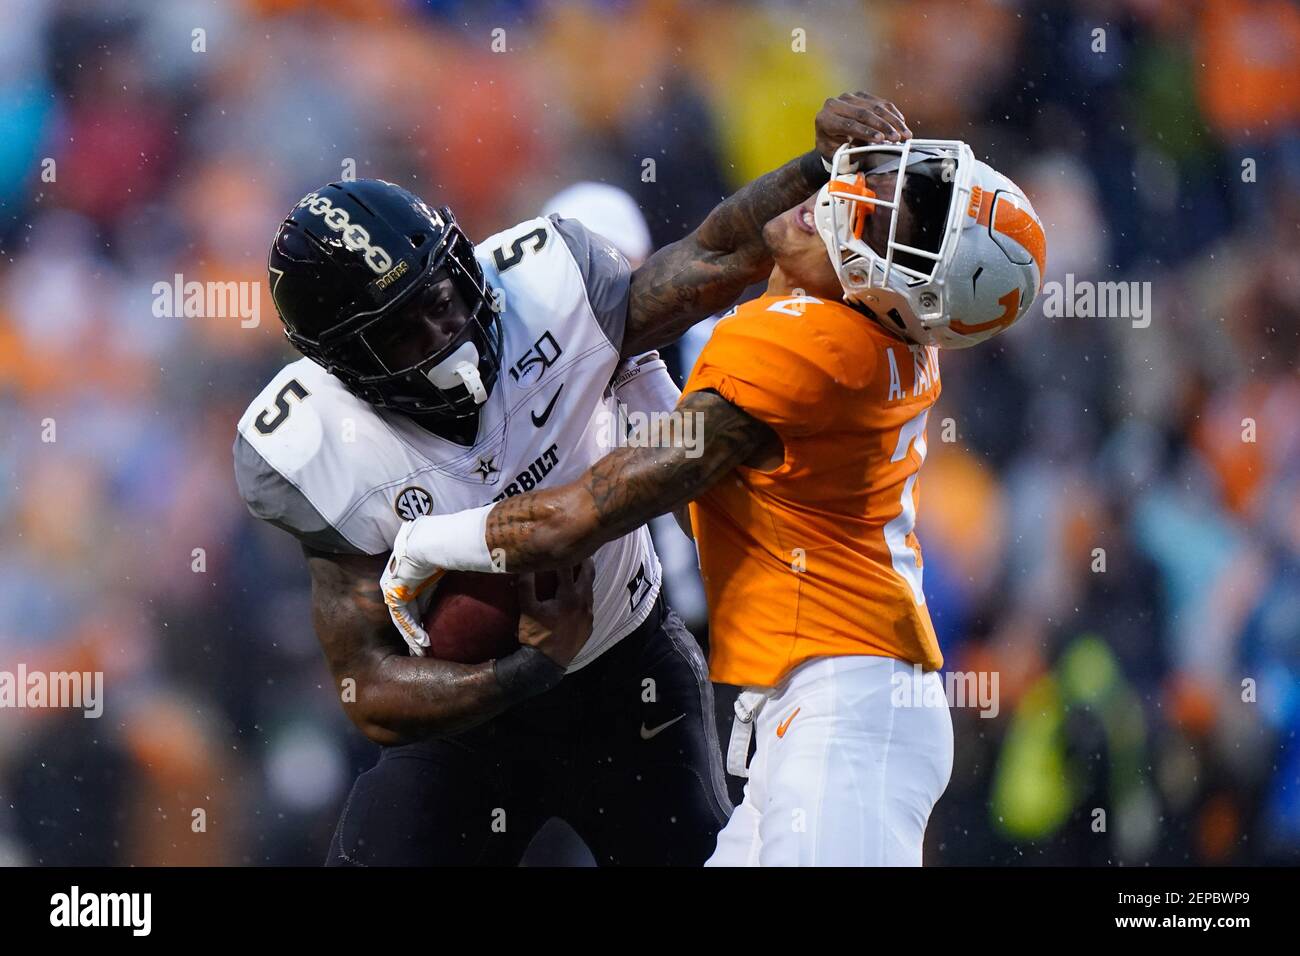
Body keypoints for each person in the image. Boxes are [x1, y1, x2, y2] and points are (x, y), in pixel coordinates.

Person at [234, 92, 913, 865]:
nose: (447, 331)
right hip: (467, 731)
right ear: (346, 367)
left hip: (632, 679)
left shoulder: (547, 290)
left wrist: (821, 170)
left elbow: (721, 254)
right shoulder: (317, 447)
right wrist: (531, 666)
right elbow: (371, 692)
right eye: (403, 331)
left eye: (444, 296)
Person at [379, 137, 1047, 865]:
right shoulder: (861, 332)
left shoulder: (807, 352)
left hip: (847, 711)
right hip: (816, 703)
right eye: (893, 185)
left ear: (898, 297)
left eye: (889, 224)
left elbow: (586, 514)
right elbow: (698, 454)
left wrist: (425, 545)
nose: (852, 197)